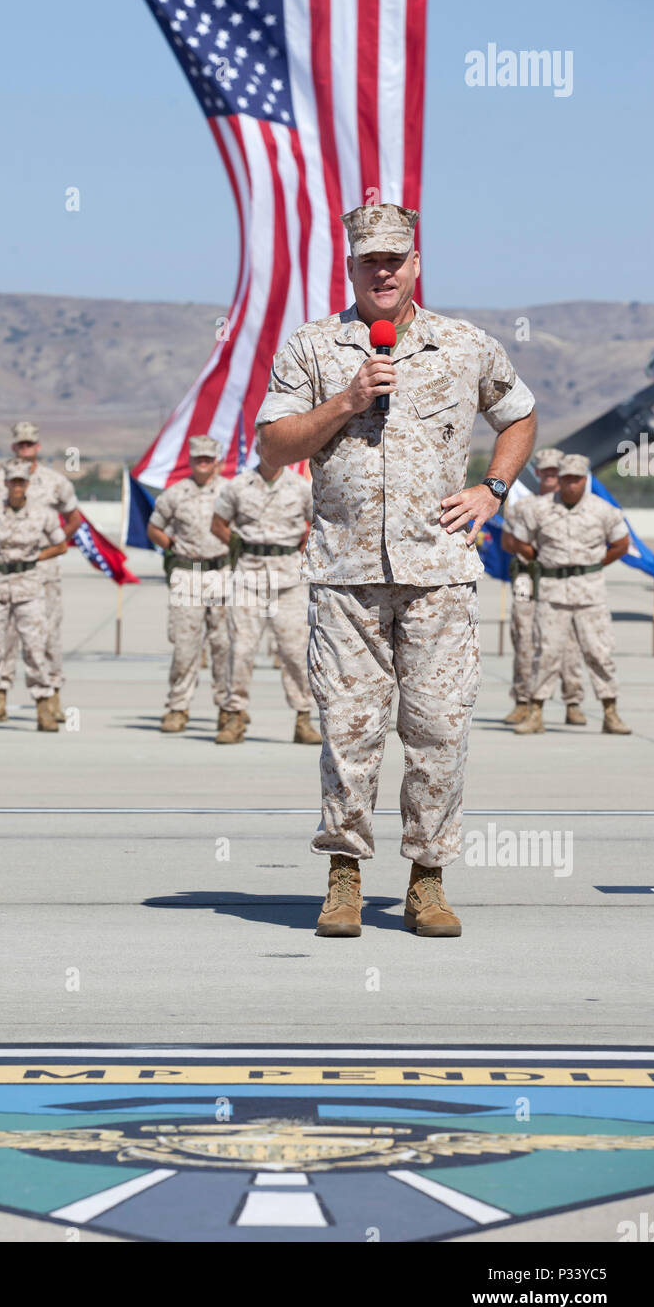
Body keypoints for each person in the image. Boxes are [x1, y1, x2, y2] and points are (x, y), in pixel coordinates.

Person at [255, 200, 536, 939]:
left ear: (416, 263)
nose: (382, 272)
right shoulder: (313, 348)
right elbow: (274, 447)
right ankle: (344, 877)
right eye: (369, 261)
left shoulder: (464, 345)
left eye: (394, 260)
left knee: (439, 730)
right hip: (346, 575)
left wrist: (493, 488)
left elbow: (519, 414)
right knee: (349, 733)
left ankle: (427, 881)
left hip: (439, 573)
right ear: (351, 268)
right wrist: (347, 401)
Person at [507, 453, 631, 735]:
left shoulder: (603, 510)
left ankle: (610, 712)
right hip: (552, 593)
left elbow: (621, 544)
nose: (571, 484)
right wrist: (541, 560)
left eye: (576, 479)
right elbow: (518, 541)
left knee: (599, 653)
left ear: (585, 480)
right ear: (559, 480)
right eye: (566, 479)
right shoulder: (538, 509)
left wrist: (594, 564)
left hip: (590, 593)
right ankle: (535, 713)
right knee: (546, 653)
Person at [210, 460, 322, 745]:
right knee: (241, 649)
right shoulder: (238, 486)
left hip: (288, 580)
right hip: (249, 578)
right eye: (263, 443)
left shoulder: (299, 487)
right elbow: (218, 524)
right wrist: (239, 545)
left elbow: (318, 521)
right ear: (259, 448)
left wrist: (302, 547)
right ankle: (234, 716)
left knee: (295, 651)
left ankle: (303, 718)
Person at [0, 423, 81, 723]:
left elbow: (74, 519)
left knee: (46, 636)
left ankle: (52, 696)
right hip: (4, 573)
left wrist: (53, 545)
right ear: (13, 447)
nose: (25, 449)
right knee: (3, 637)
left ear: (38, 447)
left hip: (42, 571)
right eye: (20, 444)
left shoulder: (55, 483)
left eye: (30, 444)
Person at [0, 459, 66, 733]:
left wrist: (37, 557)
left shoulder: (41, 514)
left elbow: (61, 545)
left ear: (27, 484)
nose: (17, 487)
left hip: (28, 588)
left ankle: (43, 709)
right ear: (6, 483)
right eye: (13, 482)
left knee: (34, 649)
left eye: (21, 482)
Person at [146, 435, 230, 733]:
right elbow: (154, 528)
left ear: (217, 461)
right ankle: (178, 707)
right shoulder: (175, 494)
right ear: (191, 461)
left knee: (224, 645)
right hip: (188, 573)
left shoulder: (230, 491)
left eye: (208, 459)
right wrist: (172, 547)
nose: (203, 463)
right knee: (185, 646)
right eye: (198, 459)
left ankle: (227, 709)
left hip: (221, 573)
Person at [501, 447, 586, 725]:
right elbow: (507, 543)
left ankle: (573, 702)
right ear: (537, 473)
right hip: (528, 578)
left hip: (562, 580)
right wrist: (532, 551)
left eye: (555, 471)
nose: (550, 475)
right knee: (524, 637)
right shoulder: (521, 507)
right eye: (545, 471)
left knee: (568, 641)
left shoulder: (574, 508)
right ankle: (522, 701)